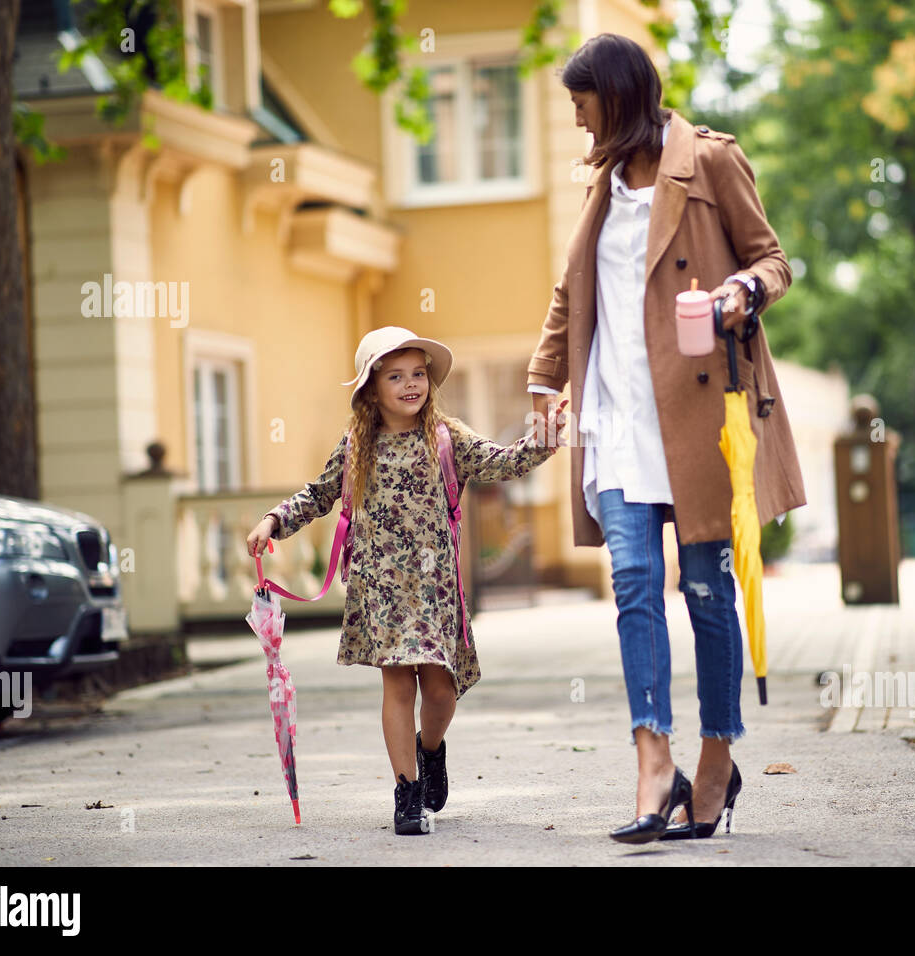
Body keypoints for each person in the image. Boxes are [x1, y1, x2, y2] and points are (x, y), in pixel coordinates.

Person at [527, 34, 807, 843]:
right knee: (636, 589)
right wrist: (546, 377)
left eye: (585, 113)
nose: (582, 132)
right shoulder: (601, 185)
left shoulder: (710, 161)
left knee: (708, 592)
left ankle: (716, 761)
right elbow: (570, 290)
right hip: (614, 419)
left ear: (617, 99)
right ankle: (654, 762)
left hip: (697, 419)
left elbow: (775, 259)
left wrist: (742, 290)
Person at [247, 326, 566, 835]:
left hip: (435, 590)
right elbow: (317, 494)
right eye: (395, 376)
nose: (410, 384)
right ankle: (406, 793)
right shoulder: (356, 446)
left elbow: (504, 463)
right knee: (398, 684)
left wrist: (546, 437)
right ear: (372, 389)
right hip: (381, 590)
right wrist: (273, 521)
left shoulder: (446, 438)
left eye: (418, 374)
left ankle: (431, 749)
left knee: (440, 690)